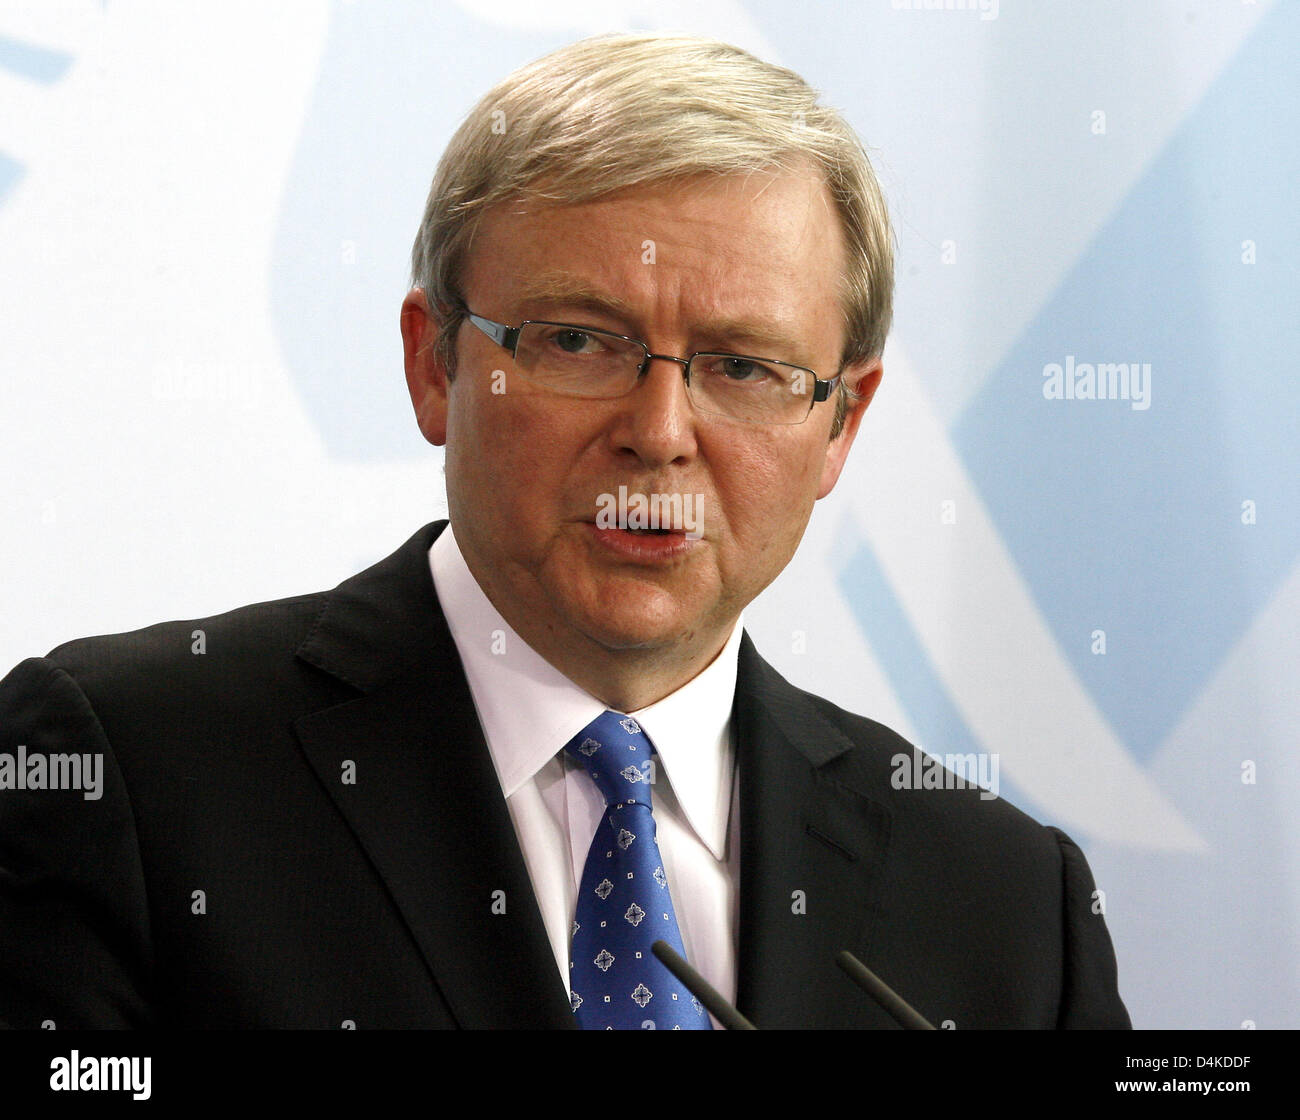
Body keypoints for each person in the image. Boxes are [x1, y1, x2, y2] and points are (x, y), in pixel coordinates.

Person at [0, 33, 1129, 1029]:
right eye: (578, 342)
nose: (659, 432)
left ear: (841, 426)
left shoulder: (1004, 905)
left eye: (744, 366)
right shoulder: (125, 775)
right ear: (434, 364)